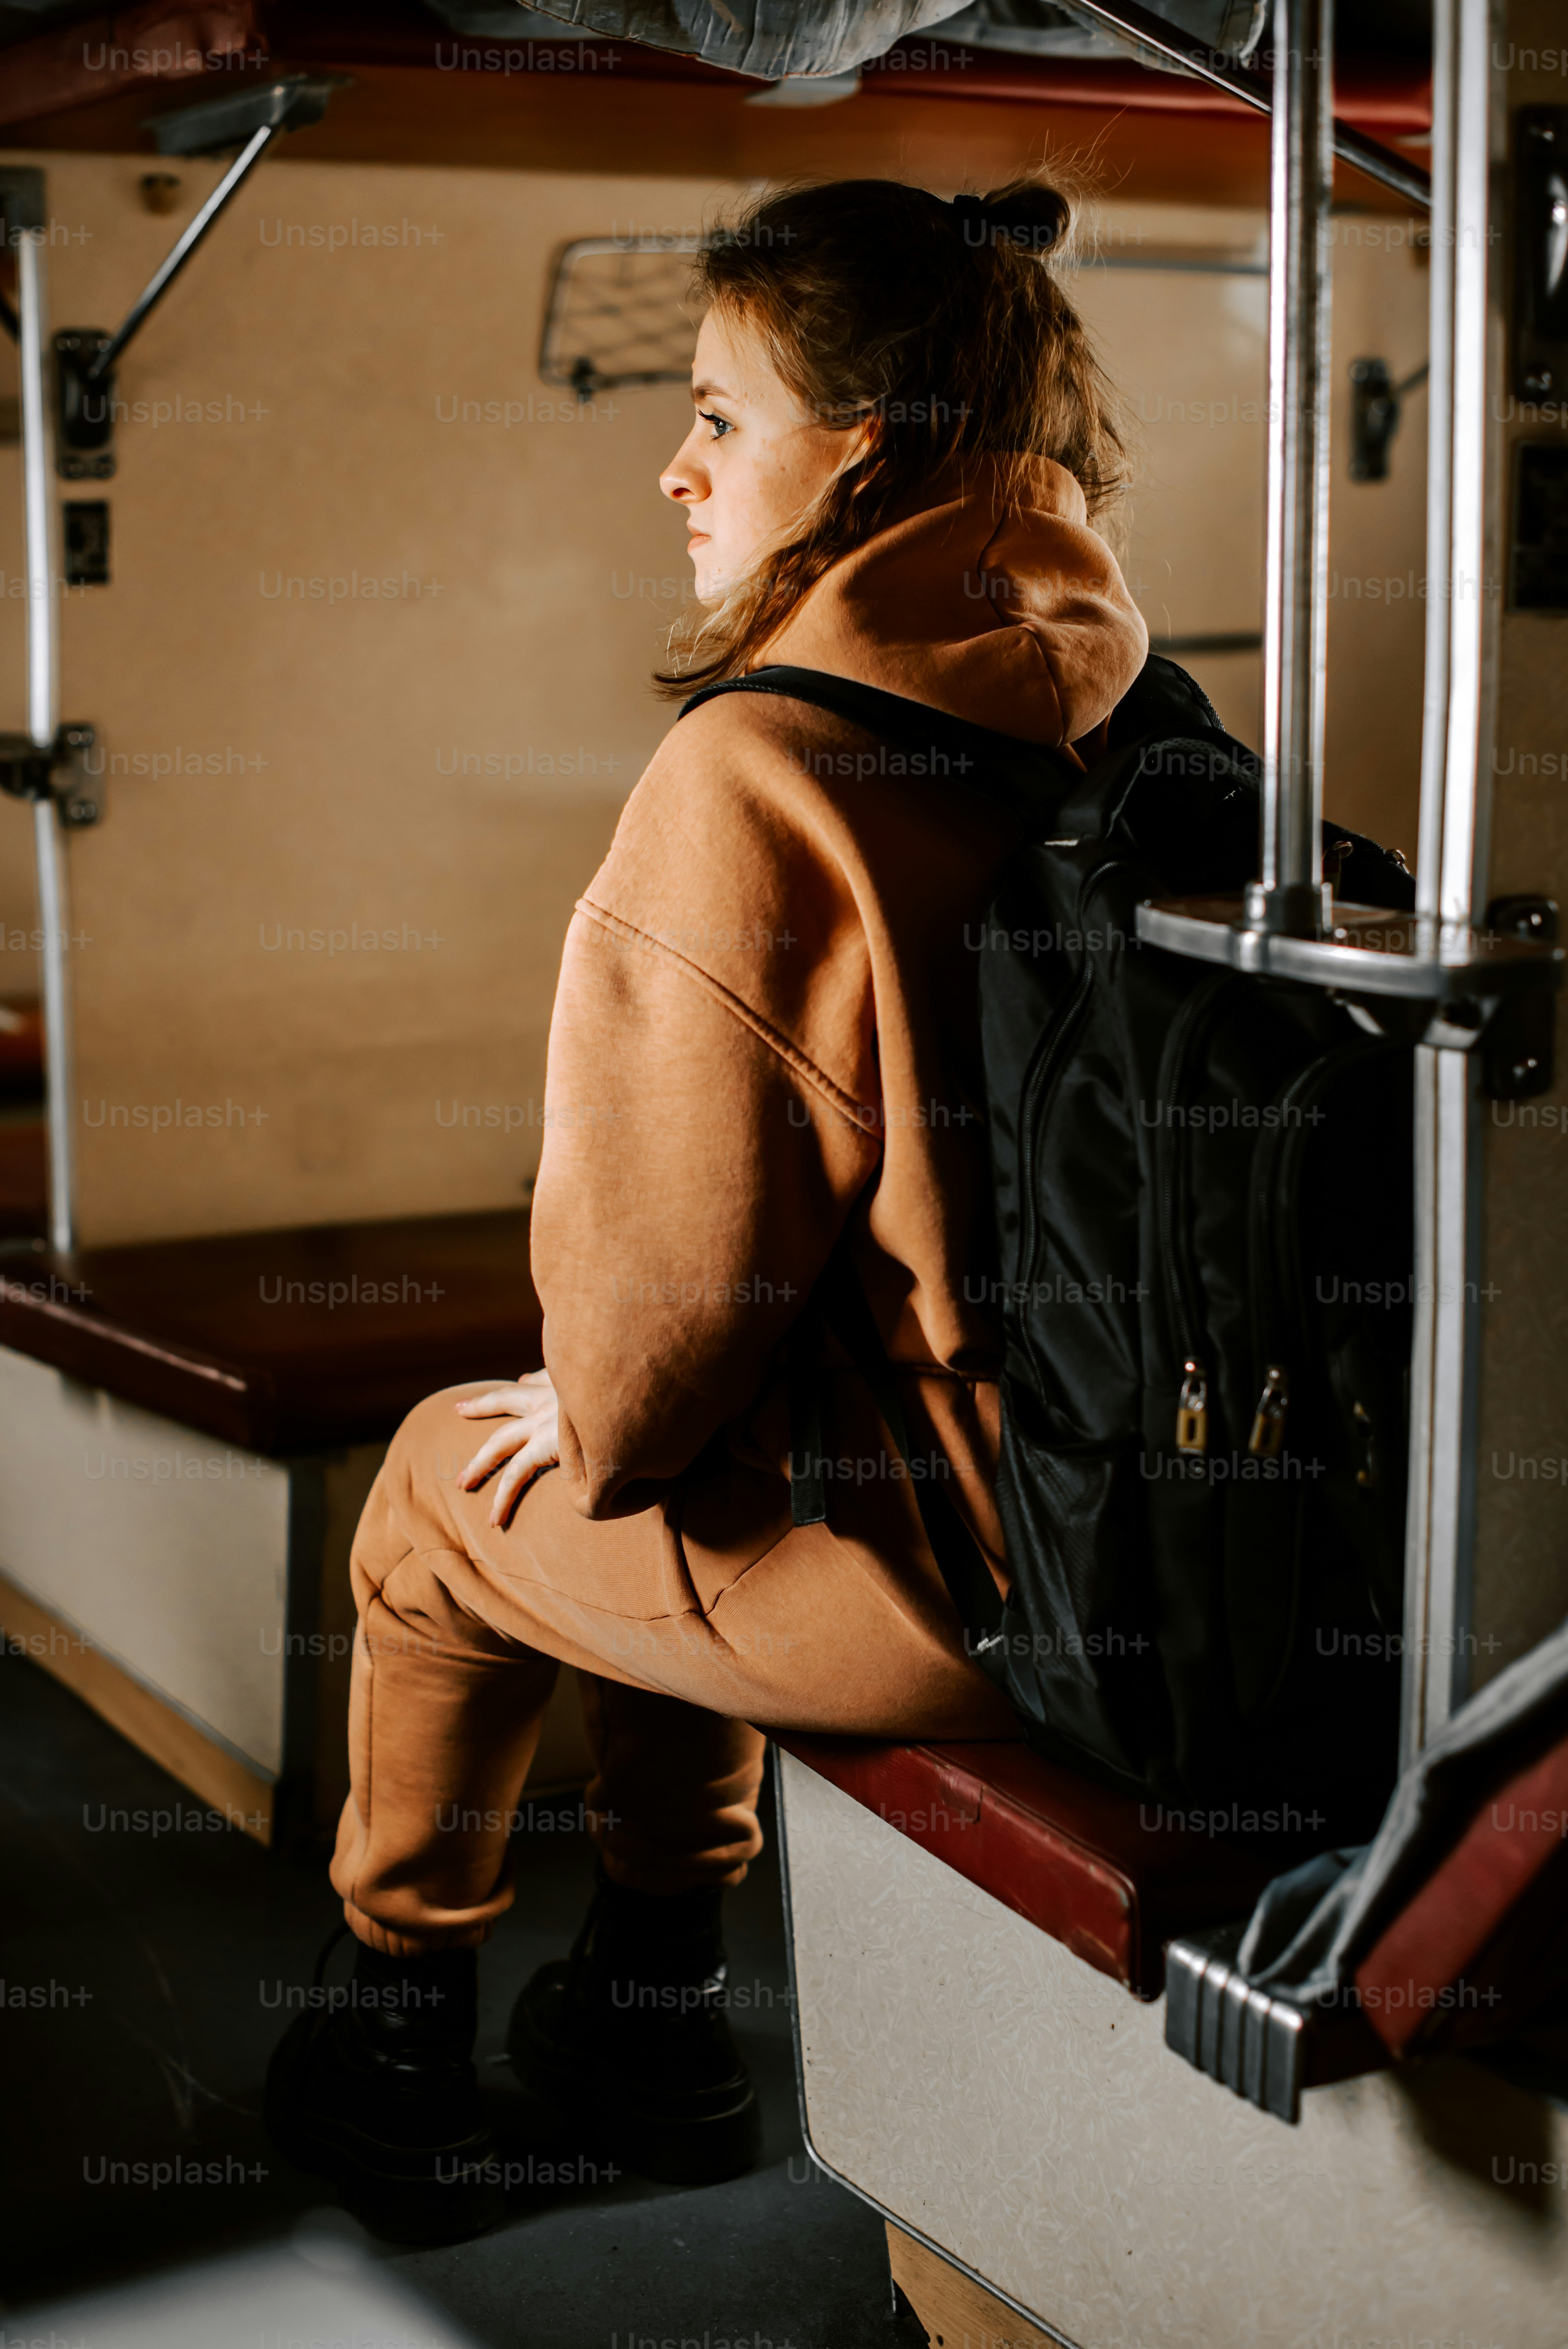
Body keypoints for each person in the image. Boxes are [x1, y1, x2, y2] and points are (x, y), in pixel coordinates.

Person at [265, 172, 1148, 2243]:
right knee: (657, 1472)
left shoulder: (755, 774)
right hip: (1156, 1530)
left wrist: (586, 1401)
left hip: (961, 1590)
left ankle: (397, 2030)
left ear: (859, 452)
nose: (676, 468)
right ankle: (651, 2016)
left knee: (434, 1493)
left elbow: (643, 1374)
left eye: (717, 415)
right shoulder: (1136, 717)